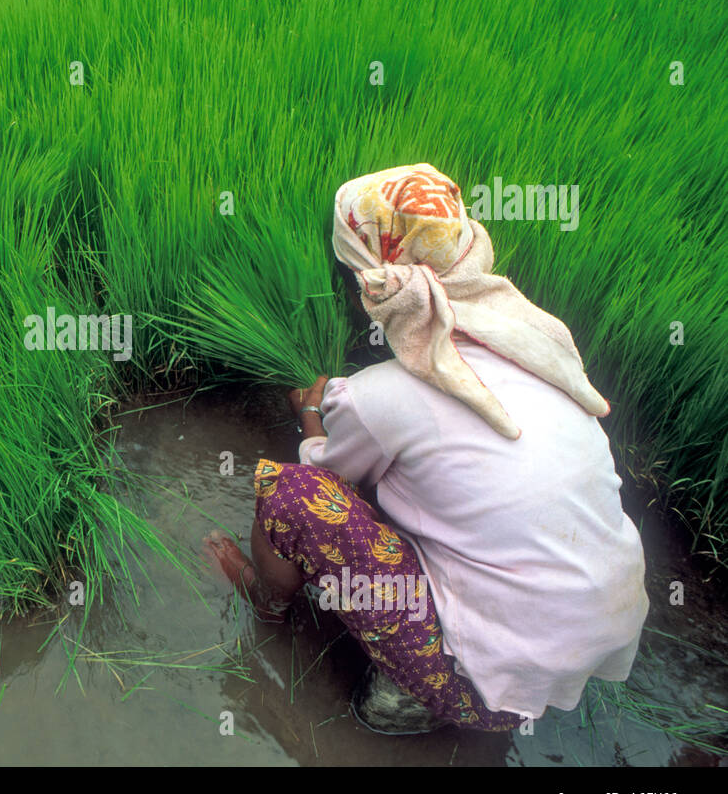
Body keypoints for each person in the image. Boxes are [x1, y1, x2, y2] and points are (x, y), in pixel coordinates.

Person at [204, 163, 648, 734]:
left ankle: (373, 672)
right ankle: (466, 665)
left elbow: (326, 474)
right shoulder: (540, 349)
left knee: (293, 495)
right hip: (589, 641)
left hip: (484, 693)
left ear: (370, 274)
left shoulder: (379, 396)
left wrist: (311, 418)